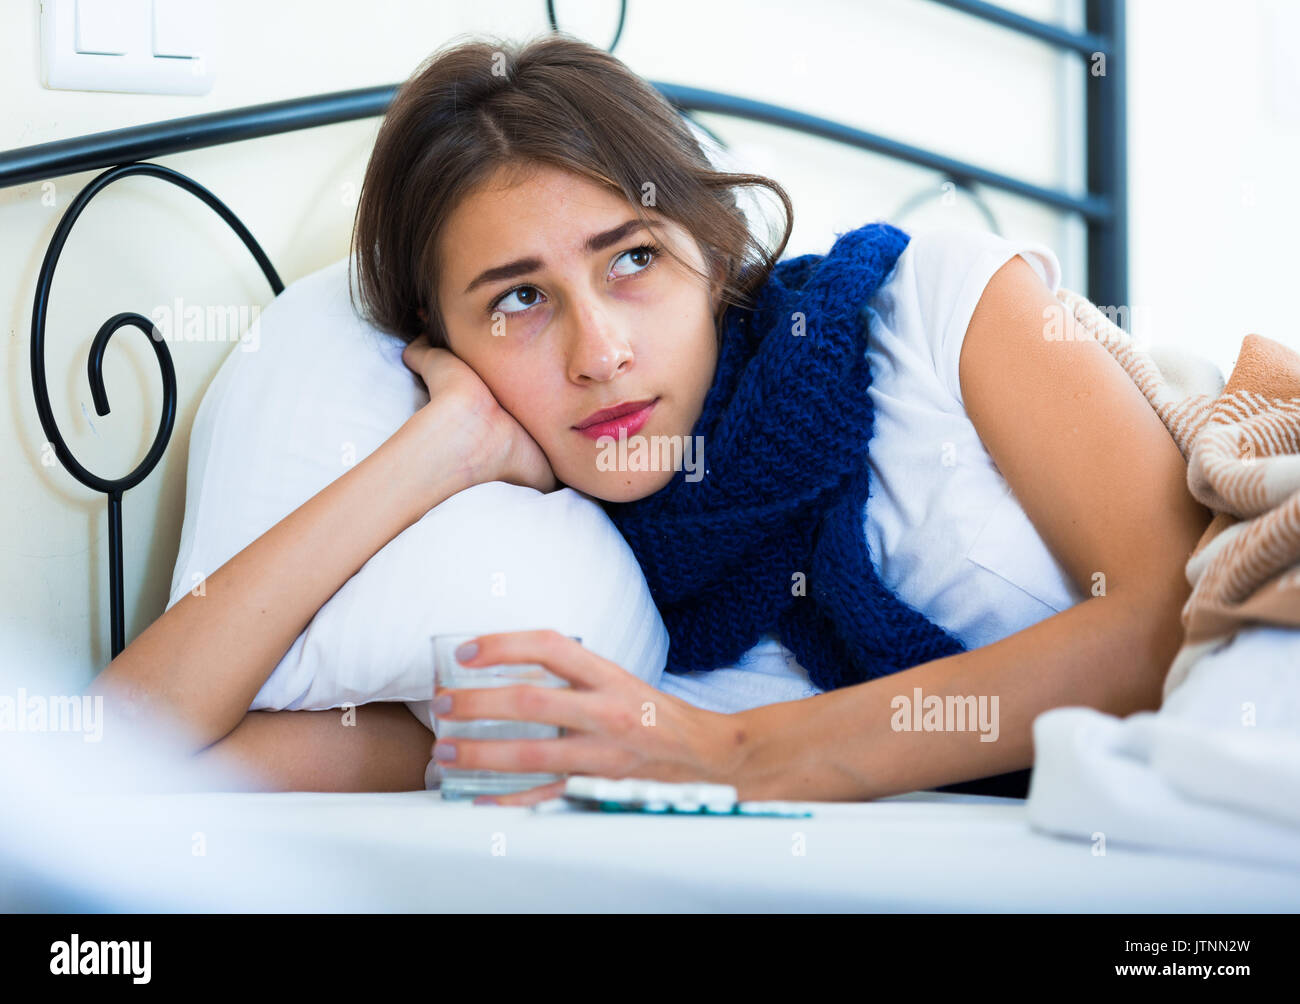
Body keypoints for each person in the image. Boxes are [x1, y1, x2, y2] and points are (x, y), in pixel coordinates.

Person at [89, 33, 1213, 802]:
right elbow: (132, 756)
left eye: (631, 260)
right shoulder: (595, 629)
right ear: (444, 348)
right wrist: (434, 450)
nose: (599, 352)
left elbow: (1173, 616)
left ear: (712, 251)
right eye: (518, 301)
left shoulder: (929, 307)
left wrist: (734, 753)